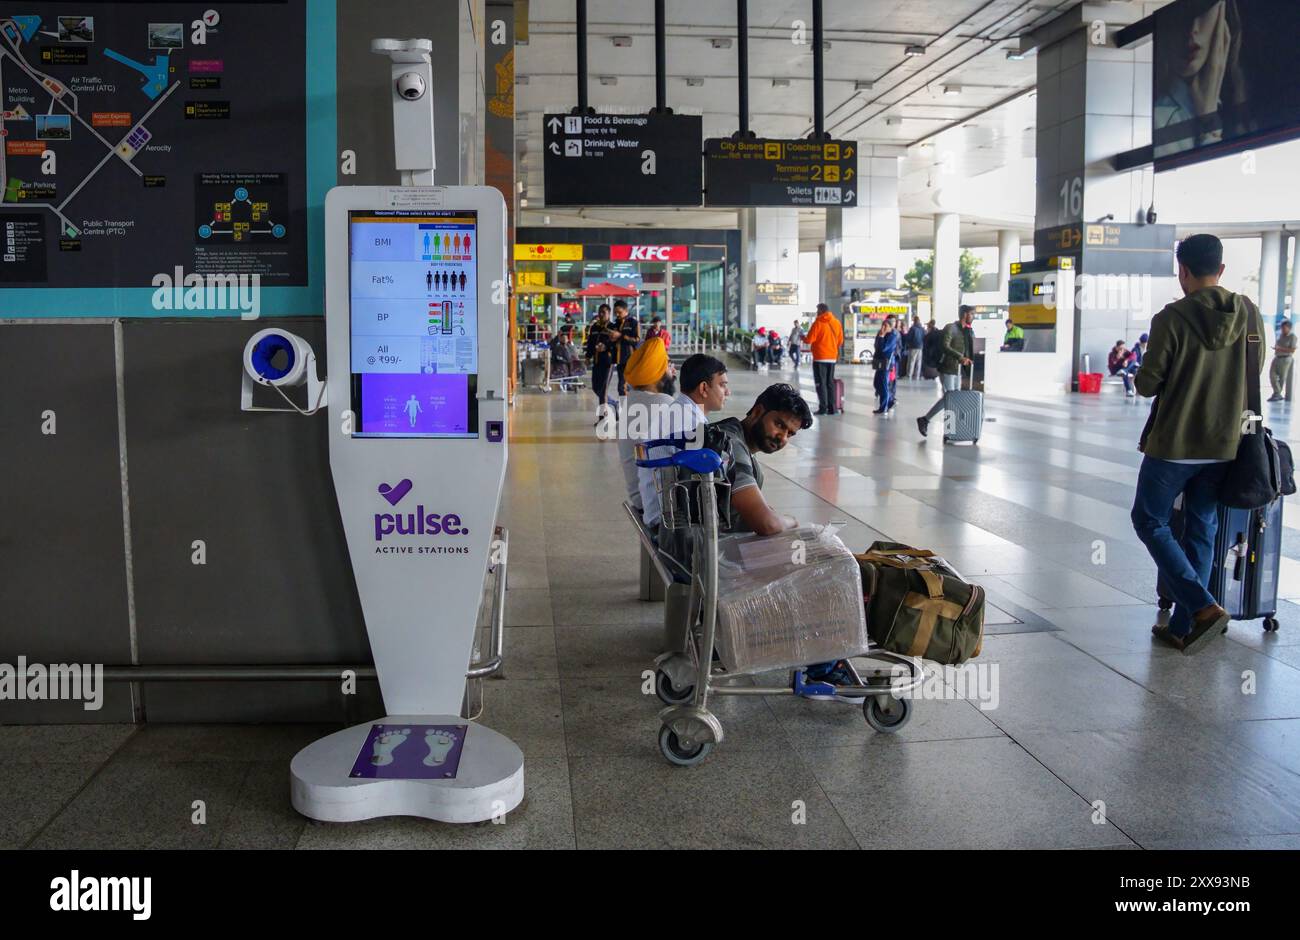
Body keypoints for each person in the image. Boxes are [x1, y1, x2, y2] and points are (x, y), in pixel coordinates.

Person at [1132, 233, 1264, 654]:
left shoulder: (1171, 318)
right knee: (1202, 528)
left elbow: (1147, 384)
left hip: (1174, 444)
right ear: (1221, 269)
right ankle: (1185, 626)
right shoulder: (1249, 313)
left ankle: (1203, 606)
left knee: (1149, 520)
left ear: (1183, 271)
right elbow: (1253, 370)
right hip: (1226, 444)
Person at [711, 384, 813, 535]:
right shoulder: (731, 445)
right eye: (779, 425)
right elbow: (767, 524)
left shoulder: (730, 435)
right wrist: (792, 520)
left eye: (790, 434)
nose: (782, 438)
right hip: (700, 552)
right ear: (757, 412)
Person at [616, 338, 677, 527]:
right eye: (667, 364)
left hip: (640, 500)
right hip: (658, 505)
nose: (673, 370)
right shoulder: (663, 403)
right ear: (657, 374)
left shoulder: (631, 402)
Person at [917, 305, 975, 437]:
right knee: (950, 398)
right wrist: (960, 357)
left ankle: (948, 429)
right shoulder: (951, 328)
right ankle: (931, 422)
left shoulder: (967, 331)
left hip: (958, 370)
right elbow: (944, 346)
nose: (973, 316)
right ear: (965, 314)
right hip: (948, 368)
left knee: (952, 399)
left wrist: (967, 359)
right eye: (972, 314)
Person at [805, 303, 844, 415]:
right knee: (830, 383)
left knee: (820, 383)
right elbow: (840, 341)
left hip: (820, 357)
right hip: (832, 357)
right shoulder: (836, 322)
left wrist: (804, 338)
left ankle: (823, 408)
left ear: (821, 311)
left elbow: (809, 340)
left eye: (817, 311)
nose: (817, 313)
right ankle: (833, 409)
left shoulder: (818, 323)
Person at [584, 304, 617, 422]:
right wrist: (587, 357)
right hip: (597, 362)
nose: (601, 314)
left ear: (609, 313)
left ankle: (603, 418)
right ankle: (615, 404)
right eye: (599, 312)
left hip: (608, 362)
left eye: (604, 312)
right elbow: (590, 344)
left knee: (603, 390)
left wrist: (606, 346)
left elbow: (616, 344)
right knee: (595, 388)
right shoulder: (594, 327)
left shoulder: (613, 327)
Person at [610, 300, 640, 397]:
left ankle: (628, 408)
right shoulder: (615, 324)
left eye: (619, 312)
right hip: (619, 359)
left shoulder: (634, 323)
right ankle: (624, 408)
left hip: (630, 358)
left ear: (626, 310)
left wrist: (621, 336)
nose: (617, 315)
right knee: (621, 386)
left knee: (625, 386)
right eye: (615, 313)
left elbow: (637, 340)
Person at [873, 318, 901, 414]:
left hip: (886, 363)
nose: (883, 328)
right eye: (883, 325)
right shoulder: (880, 334)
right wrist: (880, 337)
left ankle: (883, 407)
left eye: (886, 326)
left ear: (890, 327)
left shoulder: (892, 336)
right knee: (876, 383)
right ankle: (889, 402)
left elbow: (884, 348)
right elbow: (876, 346)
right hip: (879, 362)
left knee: (884, 384)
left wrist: (881, 337)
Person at [1269, 319, 1295, 401]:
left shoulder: (1292, 337)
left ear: (1289, 328)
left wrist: (1281, 348)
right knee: (1272, 375)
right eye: (1282, 328)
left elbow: (1292, 350)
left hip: (1285, 358)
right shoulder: (1280, 336)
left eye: (1284, 328)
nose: (1282, 329)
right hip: (1277, 357)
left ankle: (1277, 393)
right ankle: (1277, 392)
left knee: (1282, 377)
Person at [904, 315, 926, 379]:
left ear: (914, 321)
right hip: (920, 347)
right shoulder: (922, 329)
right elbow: (924, 337)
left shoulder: (913, 328)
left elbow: (909, 337)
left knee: (911, 361)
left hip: (913, 347)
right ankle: (917, 376)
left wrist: (908, 344)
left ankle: (909, 375)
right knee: (918, 362)